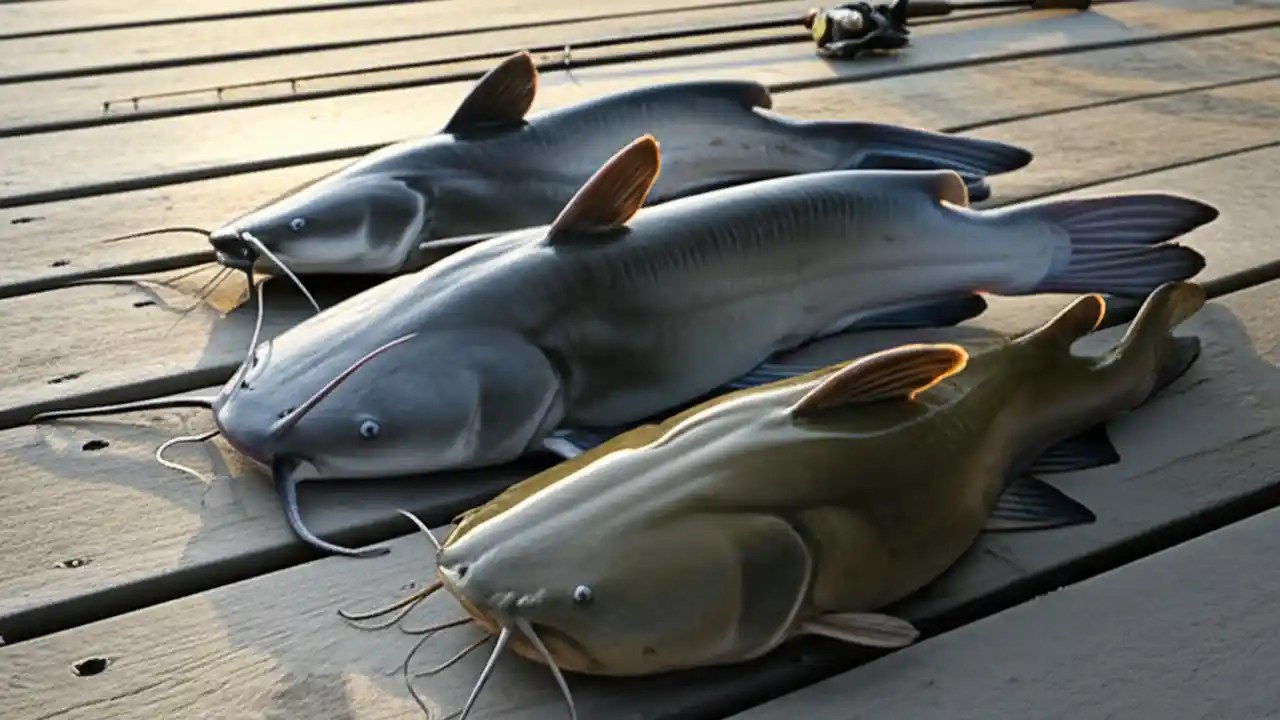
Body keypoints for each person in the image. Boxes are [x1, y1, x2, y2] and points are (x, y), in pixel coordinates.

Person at [802, 0, 911, 59]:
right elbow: (858, 6)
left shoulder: (820, 36)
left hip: (850, 34)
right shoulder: (829, 14)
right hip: (859, 27)